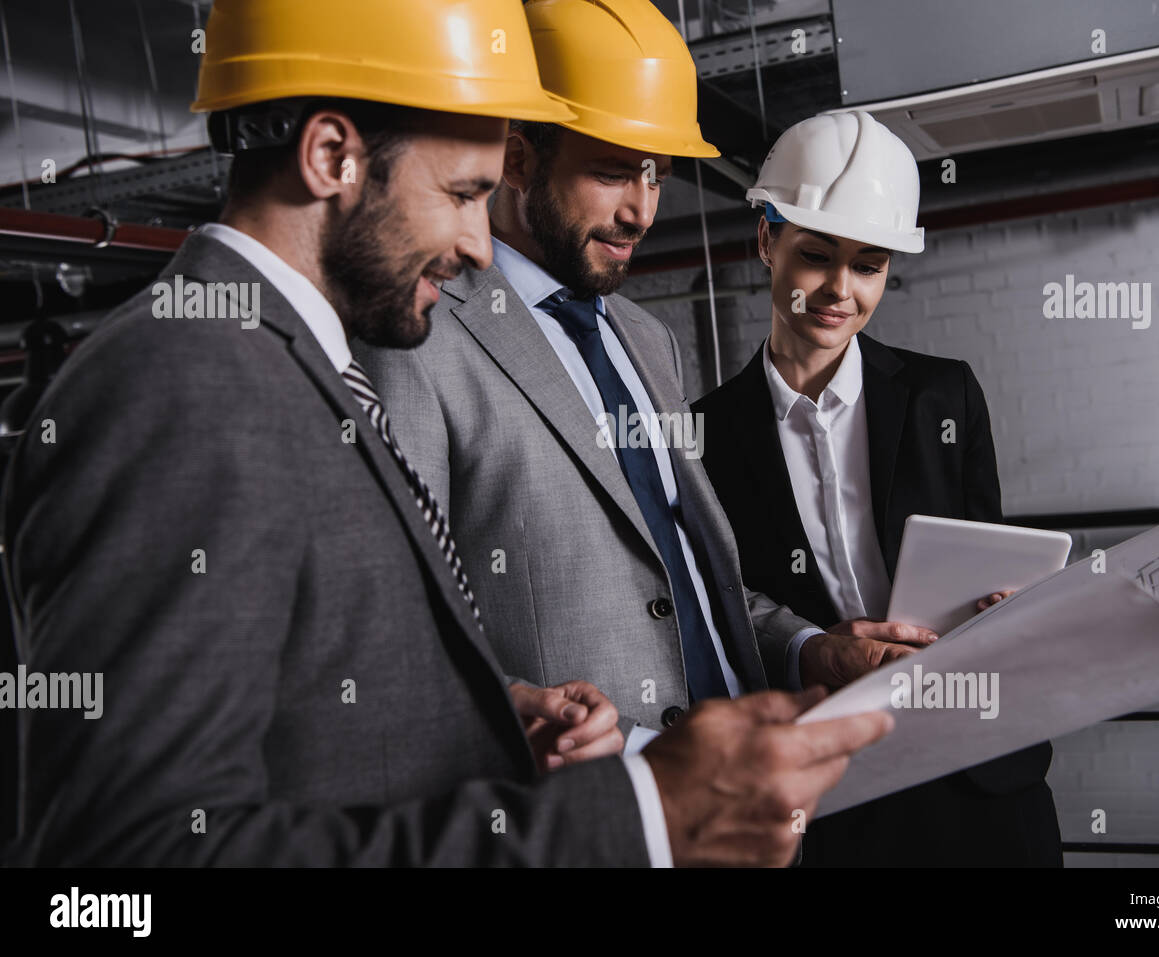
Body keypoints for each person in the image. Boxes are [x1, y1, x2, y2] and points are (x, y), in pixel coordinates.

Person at [0, 0, 893, 868]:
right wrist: (633, 815)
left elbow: (317, 711)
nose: (478, 246)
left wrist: (488, 719)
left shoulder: (292, 368)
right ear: (330, 155)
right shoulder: (181, 385)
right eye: (465, 192)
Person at [355, 0, 903, 754]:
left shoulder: (649, 341)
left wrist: (811, 647)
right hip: (595, 816)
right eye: (612, 174)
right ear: (519, 159)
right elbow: (402, 626)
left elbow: (688, 575)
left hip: (737, 789)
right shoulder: (419, 335)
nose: (641, 212)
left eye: (657, 177)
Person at [693, 110, 1062, 866]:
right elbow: (725, 606)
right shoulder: (707, 433)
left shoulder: (943, 396)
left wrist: (1010, 605)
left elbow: (990, 554)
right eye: (816, 256)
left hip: (981, 772)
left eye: (869, 265)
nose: (839, 289)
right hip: (835, 787)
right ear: (766, 241)